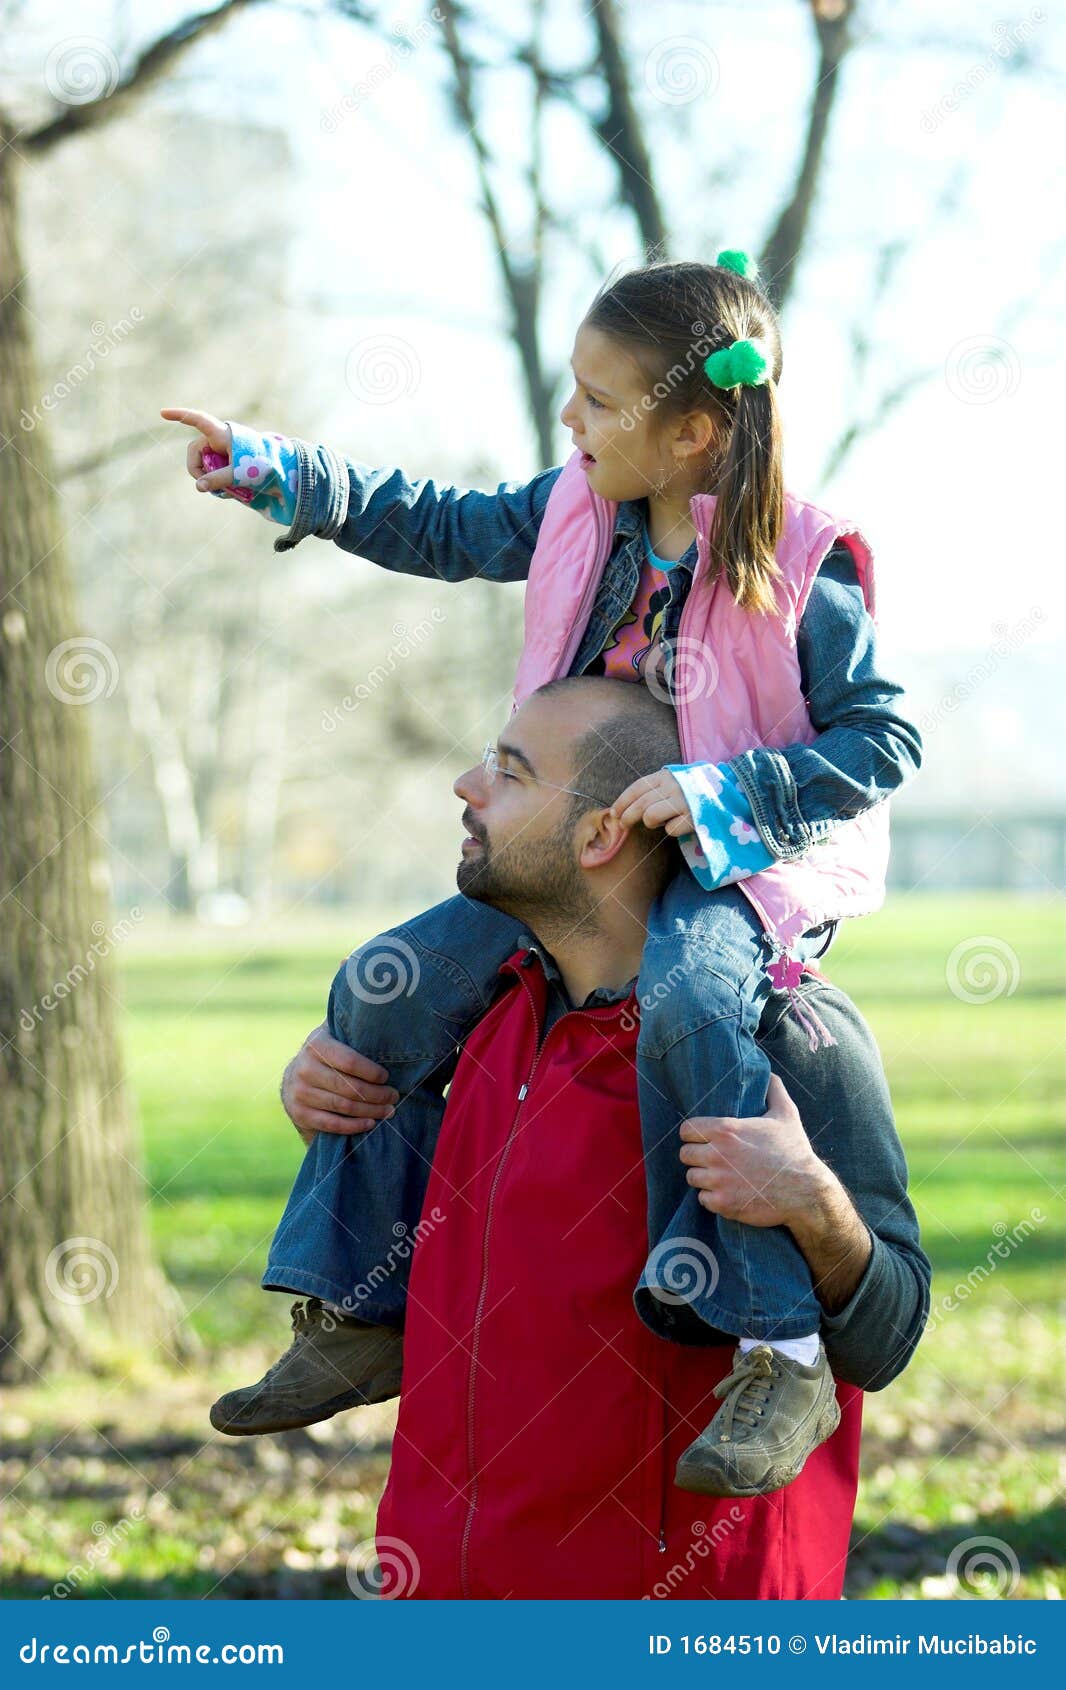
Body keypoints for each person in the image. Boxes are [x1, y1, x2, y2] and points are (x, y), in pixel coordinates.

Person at [162, 248, 923, 1495]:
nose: (570, 418)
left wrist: (719, 793)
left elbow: (882, 739)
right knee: (382, 990)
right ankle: (361, 1312)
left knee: (690, 1002)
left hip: (733, 872)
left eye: (597, 399)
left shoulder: (802, 561)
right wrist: (280, 471)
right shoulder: (576, 503)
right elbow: (434, 521)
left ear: (689, 429)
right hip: (580, 855)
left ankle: (777, 1347)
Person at [328, 682, 930, 1597]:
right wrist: (332, 1087)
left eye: (509, 772)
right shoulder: (482, 1025)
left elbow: (890, 1332)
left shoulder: (788, 1032)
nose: (466, 785)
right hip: (447, 1586)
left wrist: (810, 1201)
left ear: (601, 835)